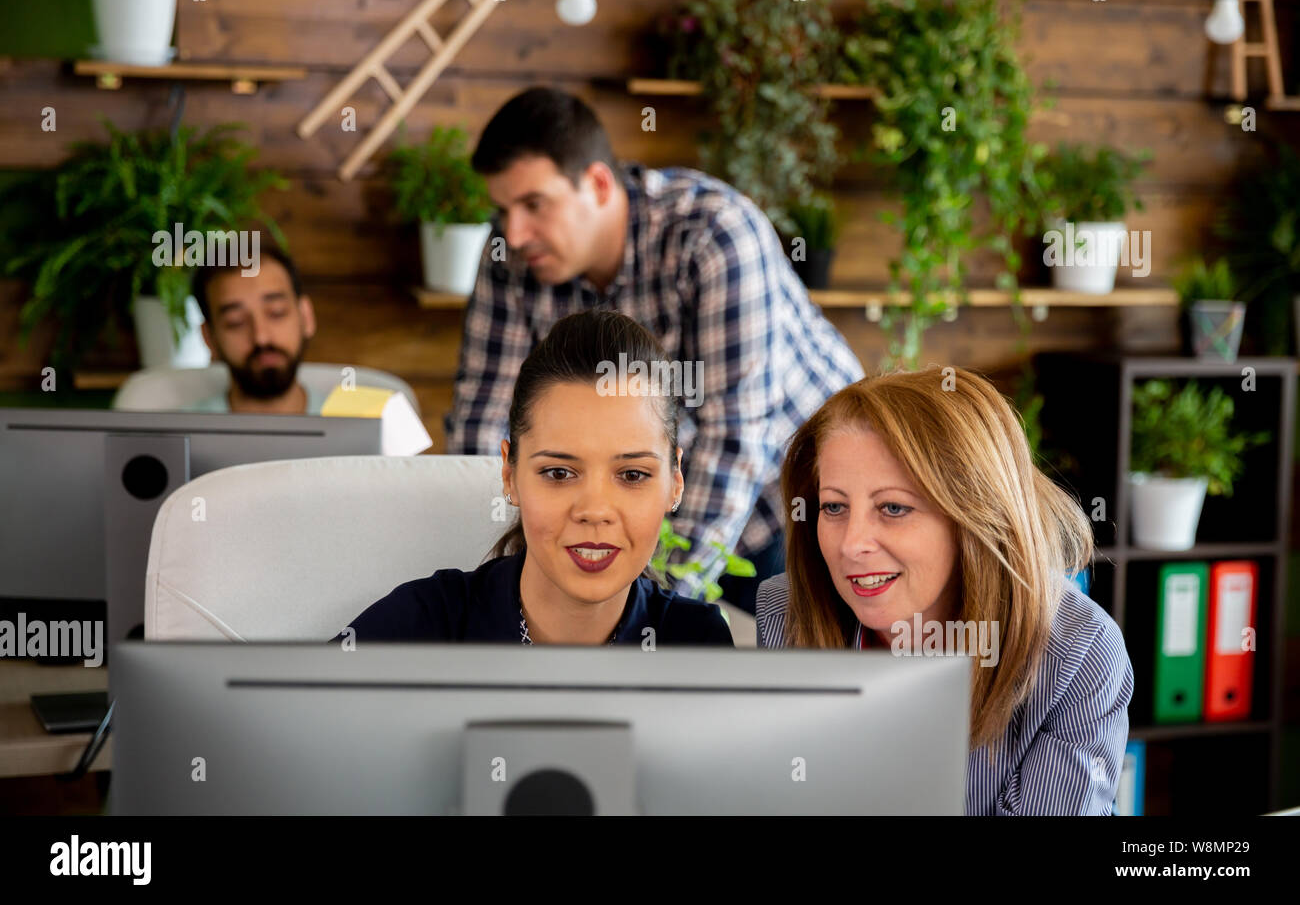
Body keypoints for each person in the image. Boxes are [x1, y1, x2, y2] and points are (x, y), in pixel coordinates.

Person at [445, 87, 866, 614]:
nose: (514, 231)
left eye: (534, 204)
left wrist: (657, 607)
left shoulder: (713, 233)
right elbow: (482, 423)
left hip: (794, 504)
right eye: (503, 209)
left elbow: (736, 437)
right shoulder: (513, 256)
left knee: (781, 678)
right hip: (662, 514)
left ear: (598, 184)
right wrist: (497, 584)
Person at [755, 367, 1134, 815]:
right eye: (834, 506)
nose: (852, 544)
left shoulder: (1079, 654)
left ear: (974, 517)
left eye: (893, 508)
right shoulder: (785, 613)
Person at [340, 309, 733, 646]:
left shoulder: (696, 641)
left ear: (675, 482)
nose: (594, 511)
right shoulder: (418, 626)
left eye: (632, 474)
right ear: (509, 474)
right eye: (559, 472)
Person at [184, 246, 325, 415]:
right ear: (208, 337)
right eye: (235, 322)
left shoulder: (358, 427)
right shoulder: (172, 435)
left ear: (306, 317)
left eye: (276, 312)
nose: (261, 337)